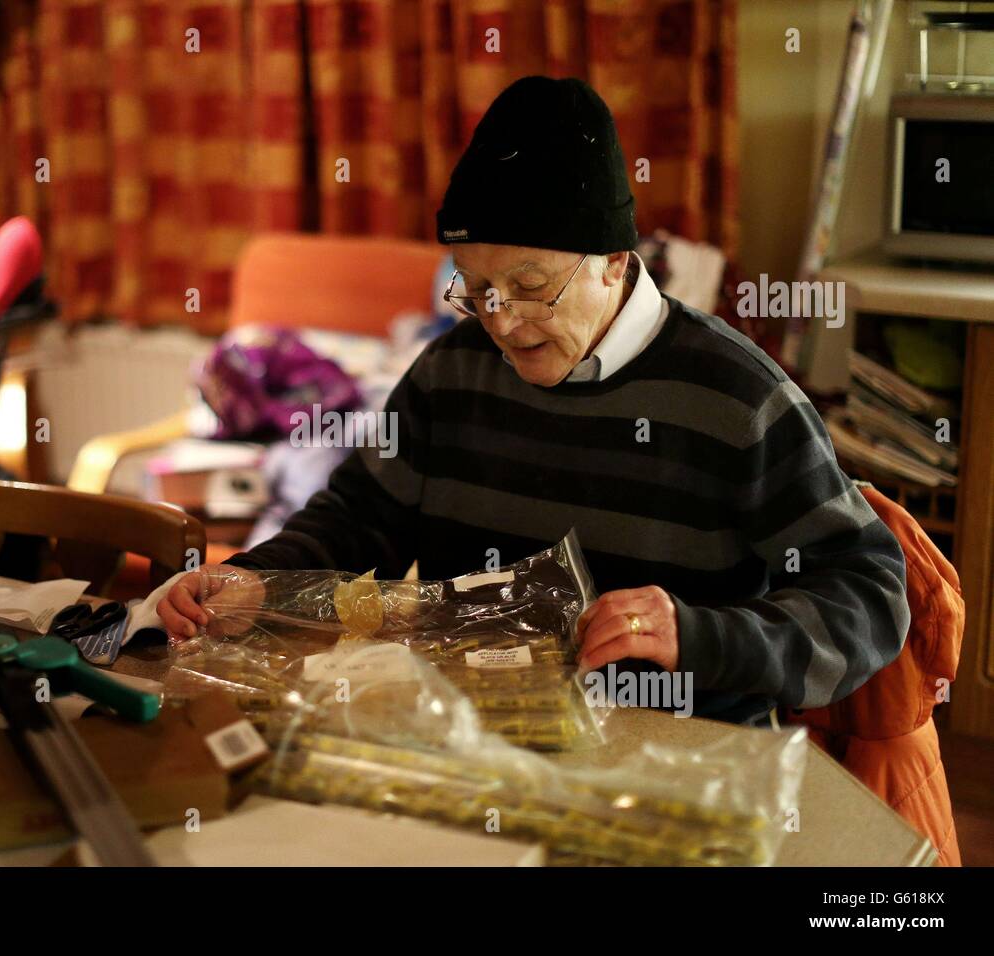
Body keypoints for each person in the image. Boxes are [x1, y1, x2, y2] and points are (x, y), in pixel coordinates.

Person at [158, 76, 909, 725]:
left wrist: (701, 635)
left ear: (616, 263)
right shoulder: (453, 372)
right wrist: (260, 581)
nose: (502, 321)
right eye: (476, 288)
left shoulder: (738, 398)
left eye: (528, 285)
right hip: (481, 734)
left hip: (685, 753)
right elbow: (359, 519)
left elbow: (869, 593)